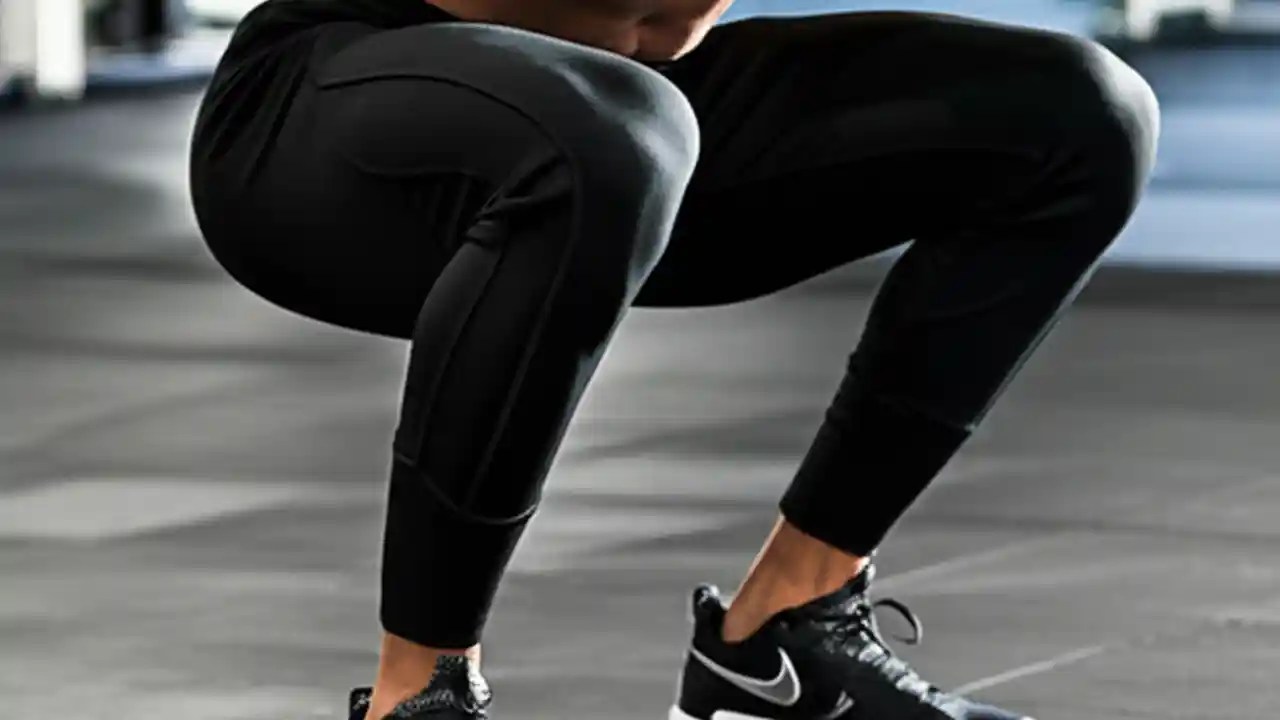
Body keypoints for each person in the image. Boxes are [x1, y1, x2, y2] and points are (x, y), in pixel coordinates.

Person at [187, 0, 1160, 718]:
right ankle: (418, 698)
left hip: (625, 114)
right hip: (325, 118)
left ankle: (785, 637)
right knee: (613, 133)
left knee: (1077, 114)